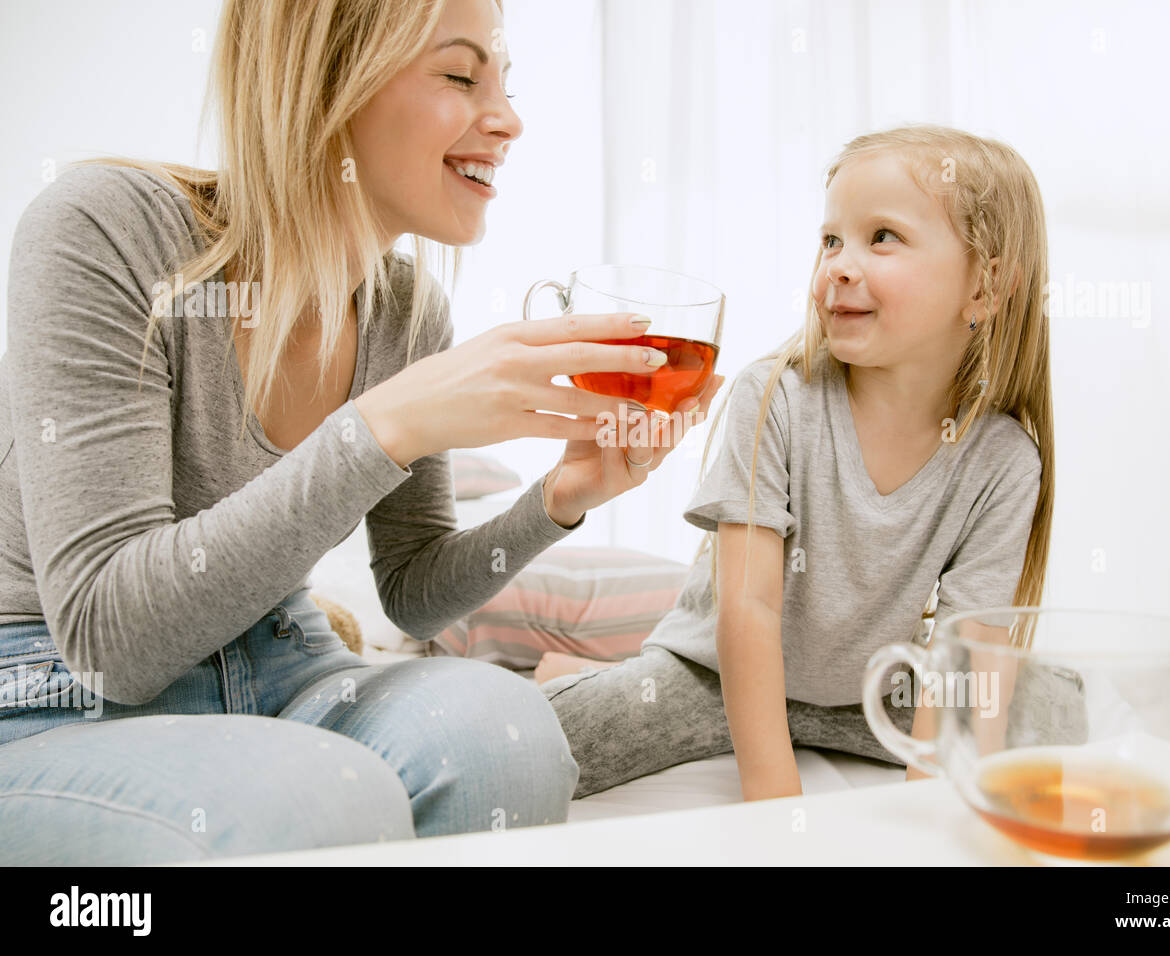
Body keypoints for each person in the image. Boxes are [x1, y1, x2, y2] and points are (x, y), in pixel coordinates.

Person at [0, 0, 721, 864]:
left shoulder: (406, 311)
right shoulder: (106, 228)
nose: (508, 118)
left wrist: (559, 501)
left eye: (504, 80)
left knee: (506, 737)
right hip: (52, 691)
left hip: (282, 661)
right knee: (317, 797)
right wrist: (384, 424)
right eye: (460, 76)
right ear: (326, 82)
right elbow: (110, 640)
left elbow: (412, 589)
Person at [539, 125, 1087, 801]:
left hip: (872, 687)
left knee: (1061, 717)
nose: (839, 265)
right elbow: (750, 607)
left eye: (881, 237)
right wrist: (775, 797)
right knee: (550, 742)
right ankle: (574, 670)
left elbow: (967, 647)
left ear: (987, 286)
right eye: (831, 240)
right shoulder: (774, 397)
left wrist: (934, 804)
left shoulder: (1004, 459)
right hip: (723, 671)